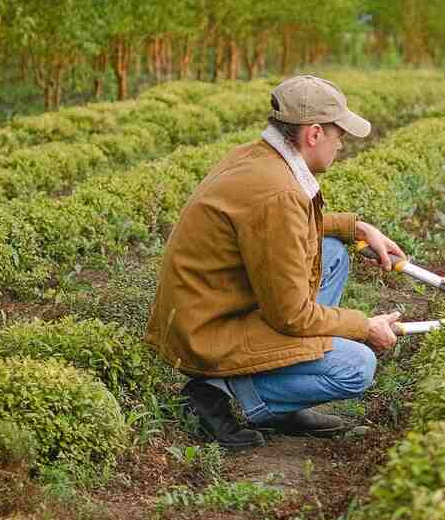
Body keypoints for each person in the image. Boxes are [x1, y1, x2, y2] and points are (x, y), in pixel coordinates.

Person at [146, 75, 406, 449]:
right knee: (356, 366)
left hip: (209, 309)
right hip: (207, 333)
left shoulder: (258, 157)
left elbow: (281, 227)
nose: (341, 144)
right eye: (340, 134)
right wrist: (363, 326)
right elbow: (292, 316)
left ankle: (278, 395)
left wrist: (356, 228)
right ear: (314, 134)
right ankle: (215, 394)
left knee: (332, 253)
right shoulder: (278, 193)